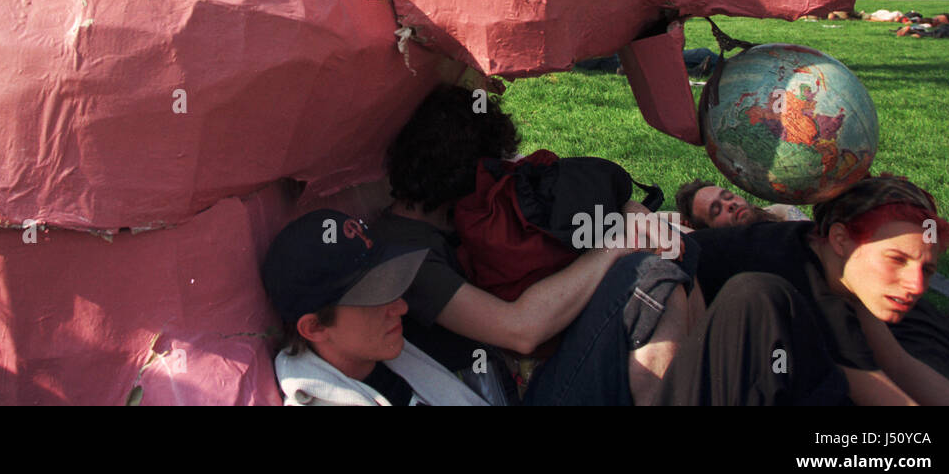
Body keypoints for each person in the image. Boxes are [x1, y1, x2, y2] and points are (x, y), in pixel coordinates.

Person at [371, 85, 695, 406]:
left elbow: (572, 201)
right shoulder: (405, 253)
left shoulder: (458, 211)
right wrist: (615, 245)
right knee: (650, 283)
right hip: (520, 388)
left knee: (685, 252)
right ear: (465, 174)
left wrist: (632, 213)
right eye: (492, 168)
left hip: (545, 358)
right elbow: (520, 330)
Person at [659, 173, 949, 405]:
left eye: (927, 270)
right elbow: (876, 389)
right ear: (840, 239)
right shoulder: (799, 277)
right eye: (896, 259)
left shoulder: (836, 267)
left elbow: (895, 361)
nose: (916, 285)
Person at [260, 208, 488, 406]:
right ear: (315, 327)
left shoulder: (383, 359)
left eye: (391, 285)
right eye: (374, 297)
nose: (401, 308)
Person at [674, 178, 805, 229]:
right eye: (716, 211)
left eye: (728, 196)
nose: (730, 205)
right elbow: (654, 218)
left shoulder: (780, 212)